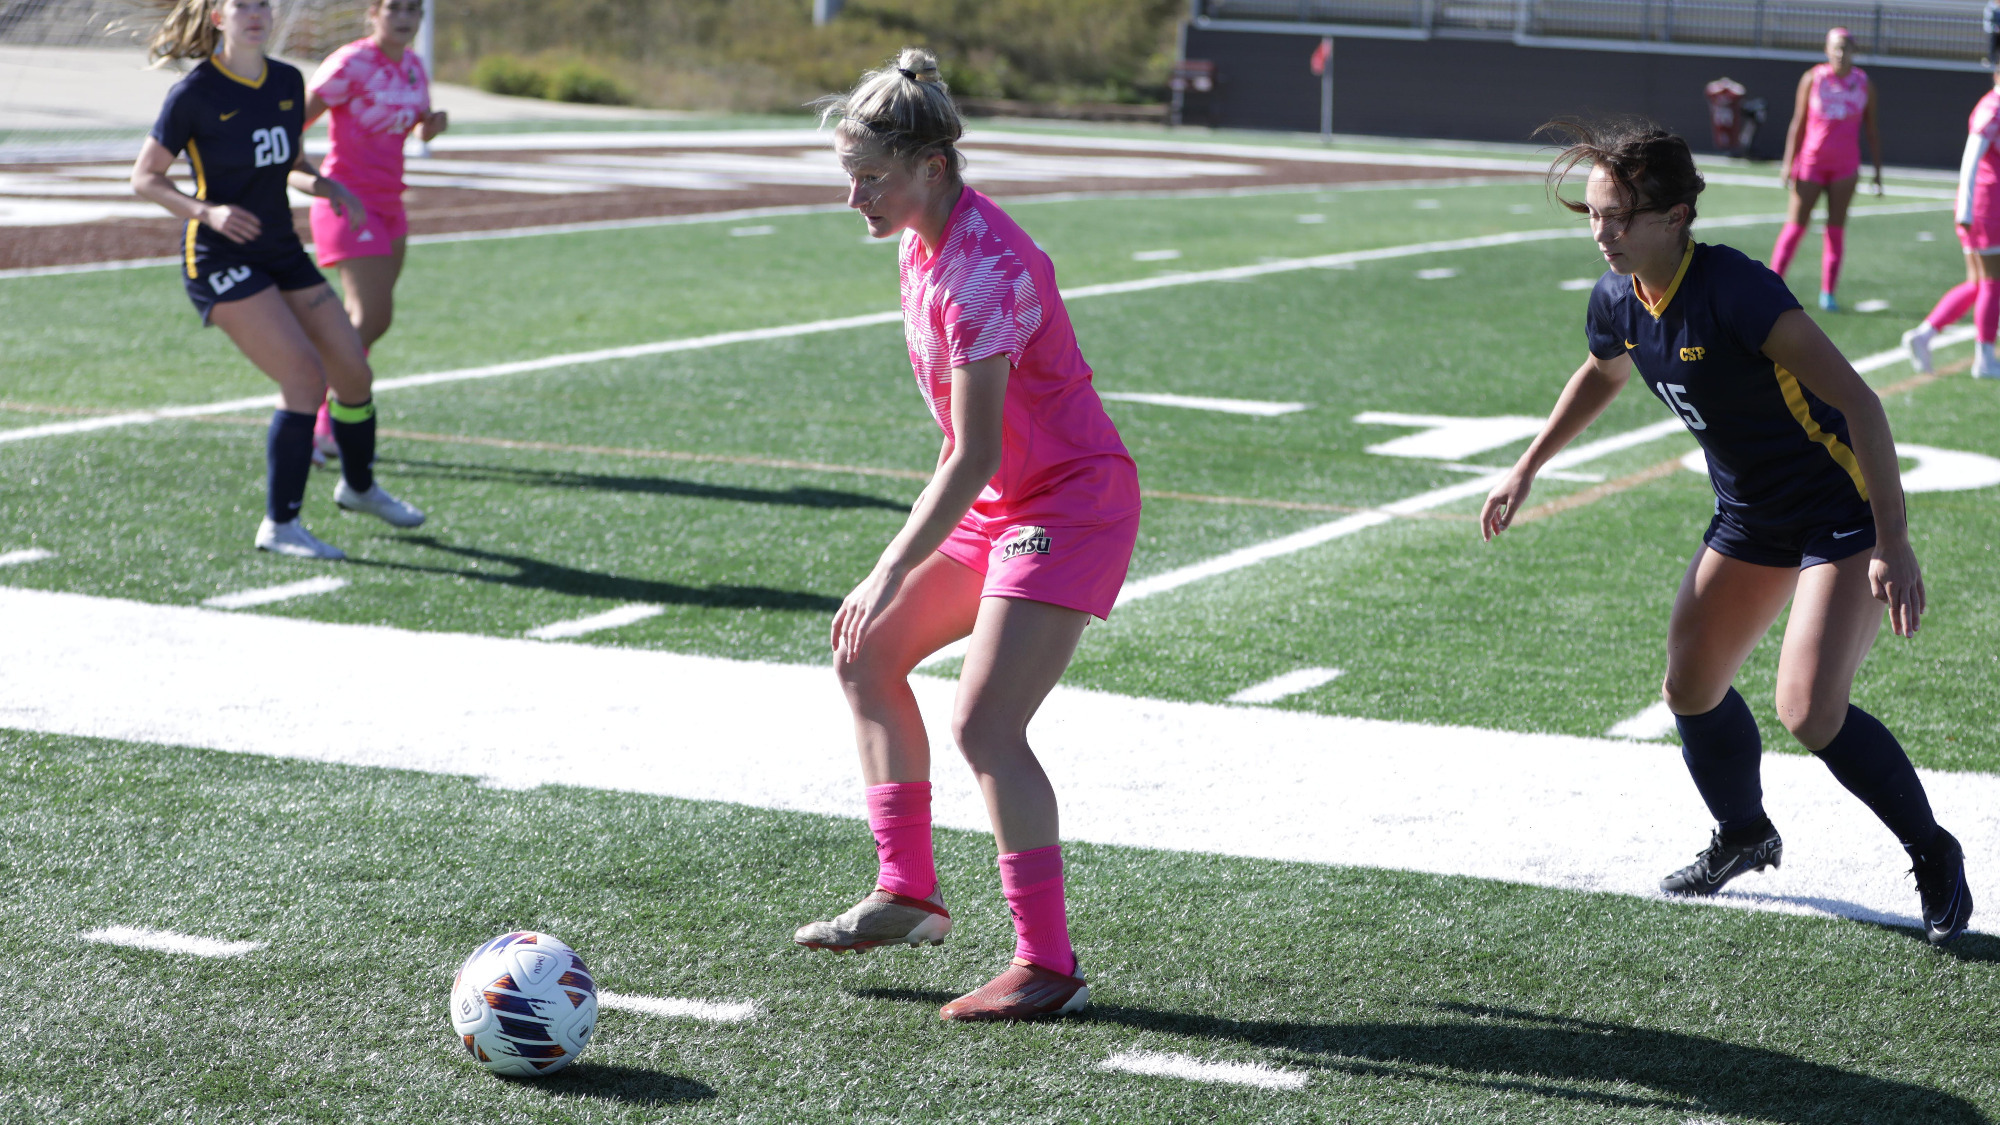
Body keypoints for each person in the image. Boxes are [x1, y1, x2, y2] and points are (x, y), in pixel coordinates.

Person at [1482, 120, 1972, 945]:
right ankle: (1745, 833)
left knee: (1809, 710)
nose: (1603, 233)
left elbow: (1862, 403)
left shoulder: (1739, 291)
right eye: (1595, 215)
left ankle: (1933, 851)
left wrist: (1892, 539)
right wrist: (1528, 465)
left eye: (1621, 217)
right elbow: (1603, 370)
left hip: (1838, 513)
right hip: (1749, 516)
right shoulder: (1619, 297)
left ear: (1676, 216)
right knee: (1690, 686)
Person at [791, 49, 1143, 1021]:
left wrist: (884, 565)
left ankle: (1048, 965)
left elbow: (975, 451)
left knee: (985, 725)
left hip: (1067, 502)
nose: (853, 197)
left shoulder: (983, 270)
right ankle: (908, 895)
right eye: (848, 176)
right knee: (867, 658)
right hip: (1006, 506)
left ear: (931, 167)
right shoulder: (917, 240)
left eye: (870, 178)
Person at [130, 0, 424, 559]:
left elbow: (289, 160)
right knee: (305, 379)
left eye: (264, 3)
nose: (257, 13)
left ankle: (358, 488)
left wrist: (327, 186)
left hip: (281, 250)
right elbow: (144, 178)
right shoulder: (194, 95)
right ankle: (280, 524)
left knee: (354, 371)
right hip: (220, 257)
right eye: (243, 5)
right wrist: (205, 211)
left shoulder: (287, 80)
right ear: (219, 17)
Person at [302, 0, 448, 462]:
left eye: (412, 10)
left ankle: (324, 413)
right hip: (350, 203)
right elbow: (292, 124)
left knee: (368, 321)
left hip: (390, 205)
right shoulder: (350, 62)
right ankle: (311, 414)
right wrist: (315, 181)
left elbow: (412, 128)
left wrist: (431, 128)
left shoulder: (413, 66)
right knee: (371, 317)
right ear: (373, 12)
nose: (404, 17)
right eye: (393, 8)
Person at [1770, 27, 1881, 312]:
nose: (1841, 54)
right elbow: (1798, 122)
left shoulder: (1863, 83)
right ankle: (1770, 284)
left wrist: (1878, 172)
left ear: (1854, 52)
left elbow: (1871, 130)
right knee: (1795, 226)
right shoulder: (1813, 79)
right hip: (1810, 165)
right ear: (1826, 50)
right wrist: (1788, 163)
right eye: (1836, 48)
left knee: (1835, 230)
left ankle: (1828, 294)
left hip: (1845, 169)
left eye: (1846, 48)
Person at [1903, 57, 2000, 381]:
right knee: (1991, 282)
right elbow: (1970, 159)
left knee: (1977, 283)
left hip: (1983, 206)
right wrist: (1966, 210)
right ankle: (1985, 357)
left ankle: (1924, 335)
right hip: (1987, 207)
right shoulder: (1993, 108)